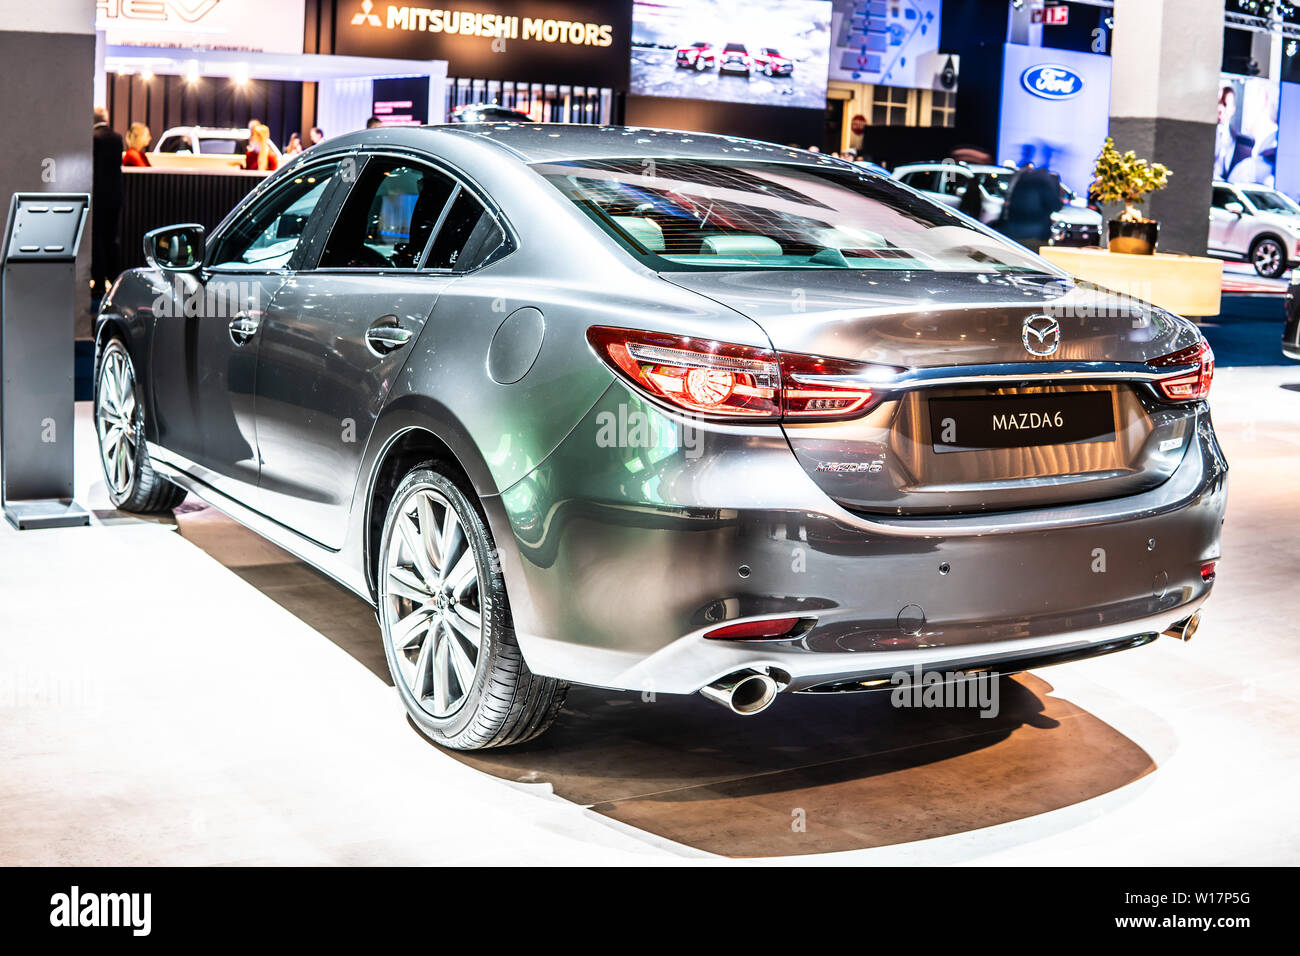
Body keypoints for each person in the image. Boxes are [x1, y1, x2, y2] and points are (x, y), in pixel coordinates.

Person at [91, 107, 124, 303]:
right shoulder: (117, 137)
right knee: (112, 238)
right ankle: (114, 279)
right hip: (116, 195)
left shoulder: (93, 138)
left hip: (99, 196)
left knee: (97, 238)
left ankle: (99, 281)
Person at [1001, 160, 1062, 251]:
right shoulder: (1043, 182)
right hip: (1036, 233)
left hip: (1013, 231)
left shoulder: (1020, 179)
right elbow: (1055, 205)